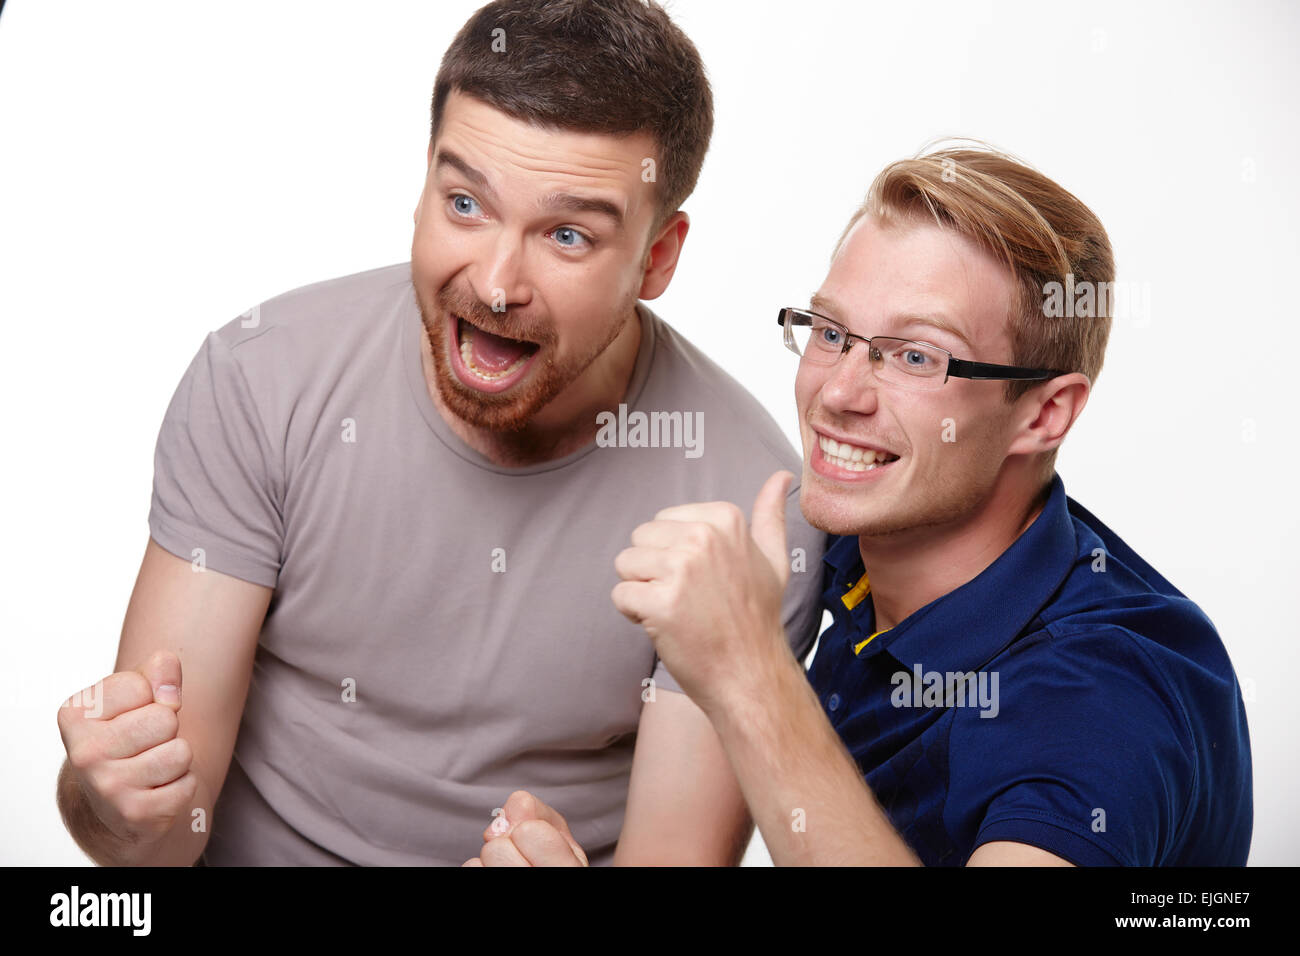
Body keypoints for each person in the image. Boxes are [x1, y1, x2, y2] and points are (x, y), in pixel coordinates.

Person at [54, 0, 826, 867]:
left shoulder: (749, 516)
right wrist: (108, 802)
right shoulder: (260, 380)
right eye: (465, 203)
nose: (496, 284)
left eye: (567, 235)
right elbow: (149, 847)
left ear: (657, 256)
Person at [478, 145, 1253, 866]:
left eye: (917, 356)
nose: (838, 395)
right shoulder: (861, 546)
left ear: (1044, 414)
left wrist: (748, 670)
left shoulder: (1102, 701)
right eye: (831, 332)